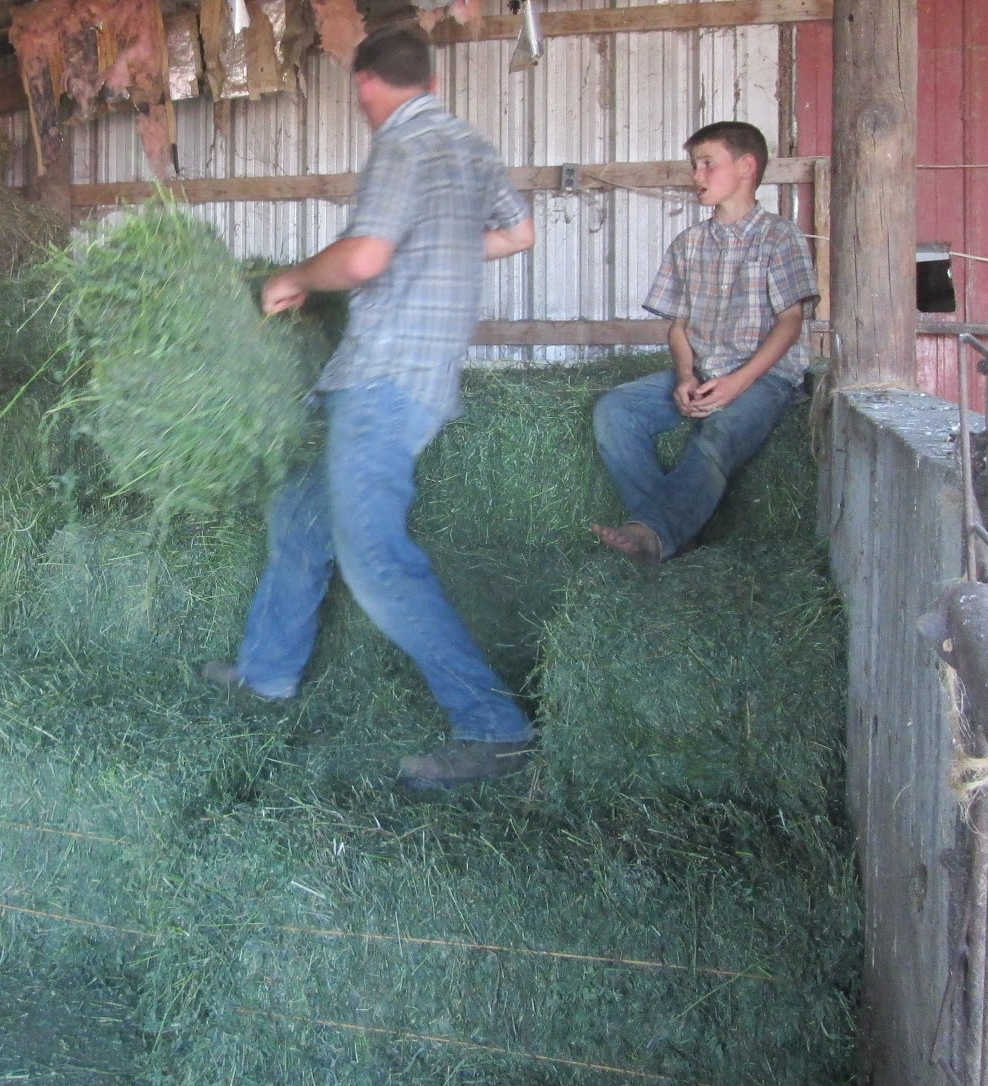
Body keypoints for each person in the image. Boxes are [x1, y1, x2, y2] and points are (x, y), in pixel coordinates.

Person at [200, 23, 537, 789]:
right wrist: (439, 250)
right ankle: (266, 673)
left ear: (365, 85)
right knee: (299, 517)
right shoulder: (471, 145)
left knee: (375, 559)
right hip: (413, 377)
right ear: (430, 80)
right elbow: (519, 234)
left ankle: (496, 729)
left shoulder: (402, 144)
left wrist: (293, 278)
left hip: (384, 381)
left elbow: (363, 257)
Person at [591, 121, 818, 565]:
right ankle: (670, 532)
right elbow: (678, 327)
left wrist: (737, 383)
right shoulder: (689, 243)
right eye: (694, 166)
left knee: (719, 432)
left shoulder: (779, 236)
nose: (696, 175)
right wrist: (684, 376)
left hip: (765, 378)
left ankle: (653, 534)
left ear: (746, 167)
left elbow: (790, 323)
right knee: (614, 411)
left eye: (707, 164)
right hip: (703, 371)